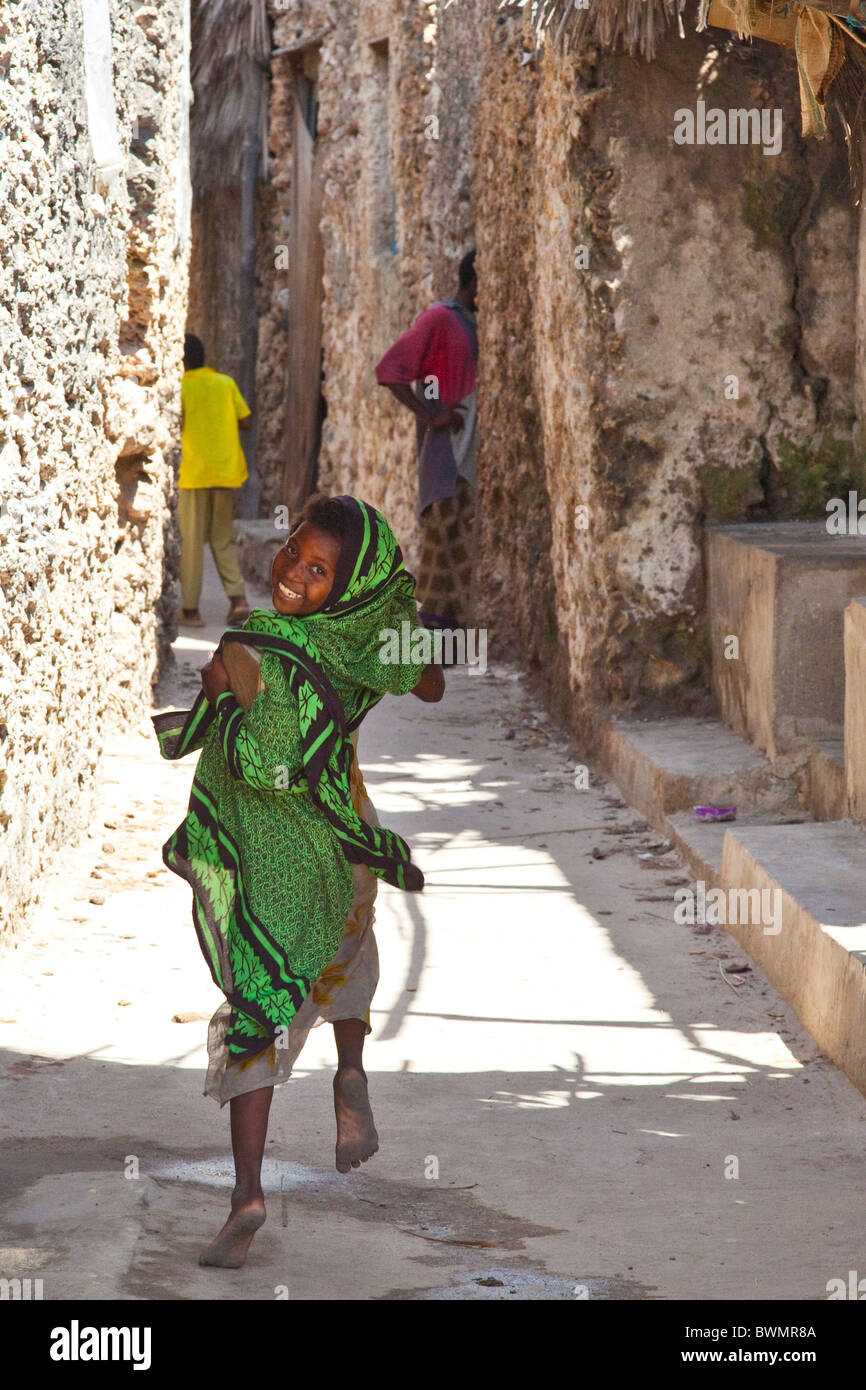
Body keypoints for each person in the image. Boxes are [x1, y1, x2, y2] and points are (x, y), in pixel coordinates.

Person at [153, 493, 445, 1268]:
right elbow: (429, 681)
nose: (292, 573)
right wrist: (386, 611)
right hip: (346, 839)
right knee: (348, 959)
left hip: (276, 858)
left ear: (345, 586)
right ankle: (350, 1074)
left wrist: (221, 691)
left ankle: (247, 1190)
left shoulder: (255, 641)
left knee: (259, 1003)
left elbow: (246, 750)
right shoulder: (358, 640)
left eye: (319, 570)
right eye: (292, 552)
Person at [375, 249, 478, 632]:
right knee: (442, 539)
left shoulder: (473, 322)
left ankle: (448, 641)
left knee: (461, 543)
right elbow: (390, 371)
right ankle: (427, 642)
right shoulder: (441, 318)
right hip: (446, 451)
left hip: (471, 452)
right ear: (475, 279)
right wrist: (431, 415)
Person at [178, 333, 252, 628]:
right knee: (222, 538)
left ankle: (190, 611)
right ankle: (239, 600)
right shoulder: (225, 383)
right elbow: (246, 420)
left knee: (192, 542)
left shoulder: (181, 387)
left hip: (193, 474)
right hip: (225, 471)